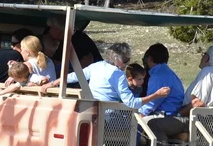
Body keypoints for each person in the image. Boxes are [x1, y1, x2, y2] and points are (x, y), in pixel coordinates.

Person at [41, 42, 170, 107]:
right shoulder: (118, 75)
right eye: (125, 61)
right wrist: (156, 95)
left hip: (91, 109)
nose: (126, 64)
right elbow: (131, 103)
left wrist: (52, 83)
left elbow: (74, 76)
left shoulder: (97, 66)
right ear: (118, 60)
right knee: (135, 127)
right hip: (108, 115)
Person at [138, 43, 186, 146]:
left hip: (167, 116)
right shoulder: (167, 72)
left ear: (150, 59)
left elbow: (153, 103)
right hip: (171, 114)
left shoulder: (159, 75)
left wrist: (138, 115)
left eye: (145, 59)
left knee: (140, 127)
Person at [179, 45, 213, 114]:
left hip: (196, 118)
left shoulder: (208, 72)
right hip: (210, 118)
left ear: (208, 58)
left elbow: (198, 102)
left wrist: (179, 114)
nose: (202, 57)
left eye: (204, 55)